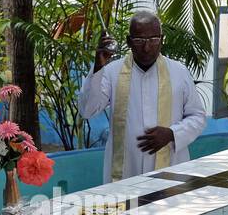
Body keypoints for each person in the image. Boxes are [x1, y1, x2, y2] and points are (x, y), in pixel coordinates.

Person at [79, 10, 206, 183]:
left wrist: (172, 134)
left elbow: (198, 116)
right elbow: (87, 110)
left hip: (170, 168)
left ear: (162, 39)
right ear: (128, 41)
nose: (147, 47)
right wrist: (97, 68)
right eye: (139, 40)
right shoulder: (111, 72)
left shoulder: (179, 72)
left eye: (153, 39)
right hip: (126, 170)